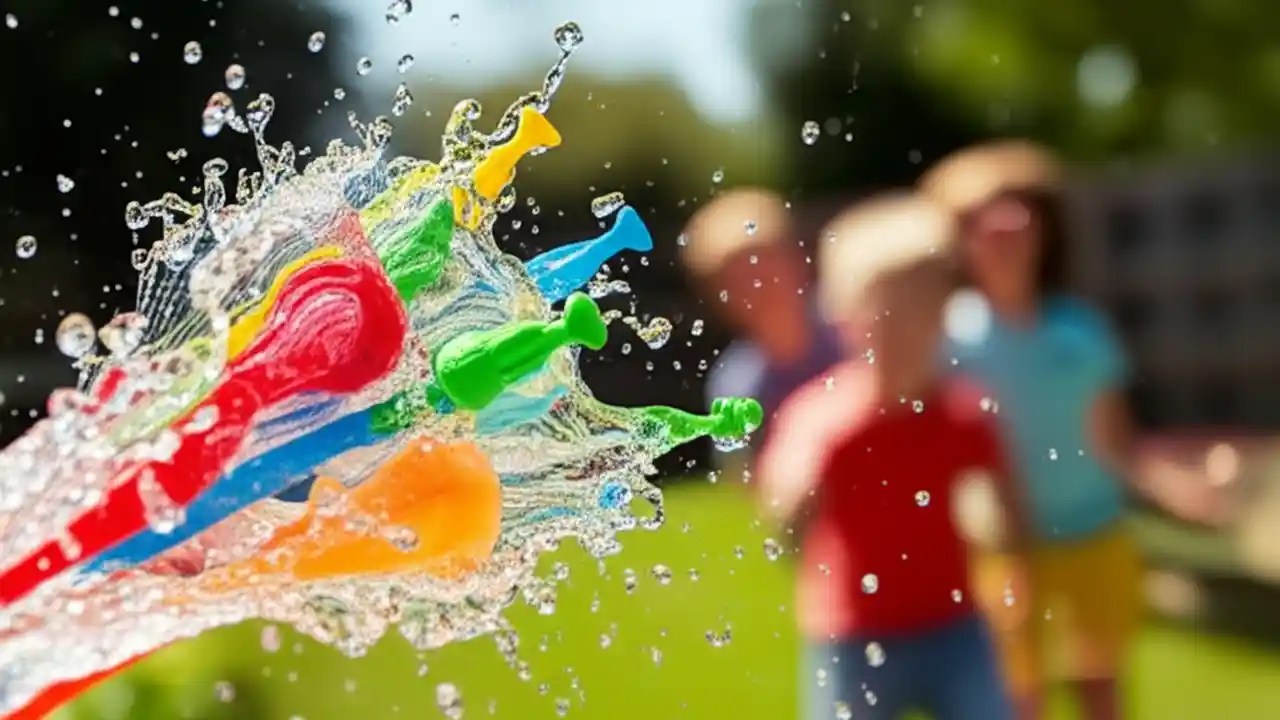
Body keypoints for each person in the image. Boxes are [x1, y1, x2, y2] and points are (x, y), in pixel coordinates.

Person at [757, 193, 1027, 720]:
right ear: (846, 318)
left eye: (925, 304)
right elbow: (781, 512)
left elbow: (1009, 517)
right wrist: (801, 483)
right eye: (890, 308)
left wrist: (998, 532)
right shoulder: (824, 416)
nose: (908, 324)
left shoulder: (965, 414)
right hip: (854, 631)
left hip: (954, 624)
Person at [922, 141, 1144, 720]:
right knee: (1019, 697)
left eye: (1017, 219)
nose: (1004, 237)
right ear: (959, 241)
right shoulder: (947, 341)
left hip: (1097, 536)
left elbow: (1115, 437)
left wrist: (1167, 487)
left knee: (1100, 685)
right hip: (1005, 550)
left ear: (1043, 233)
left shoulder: (1081, 331)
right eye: (983, 224)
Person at [680, 188, 840, 427]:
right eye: (738, 278)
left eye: (765, 267)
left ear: (798, 262)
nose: (757, 286)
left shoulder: (856, 336)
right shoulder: (738, 386)